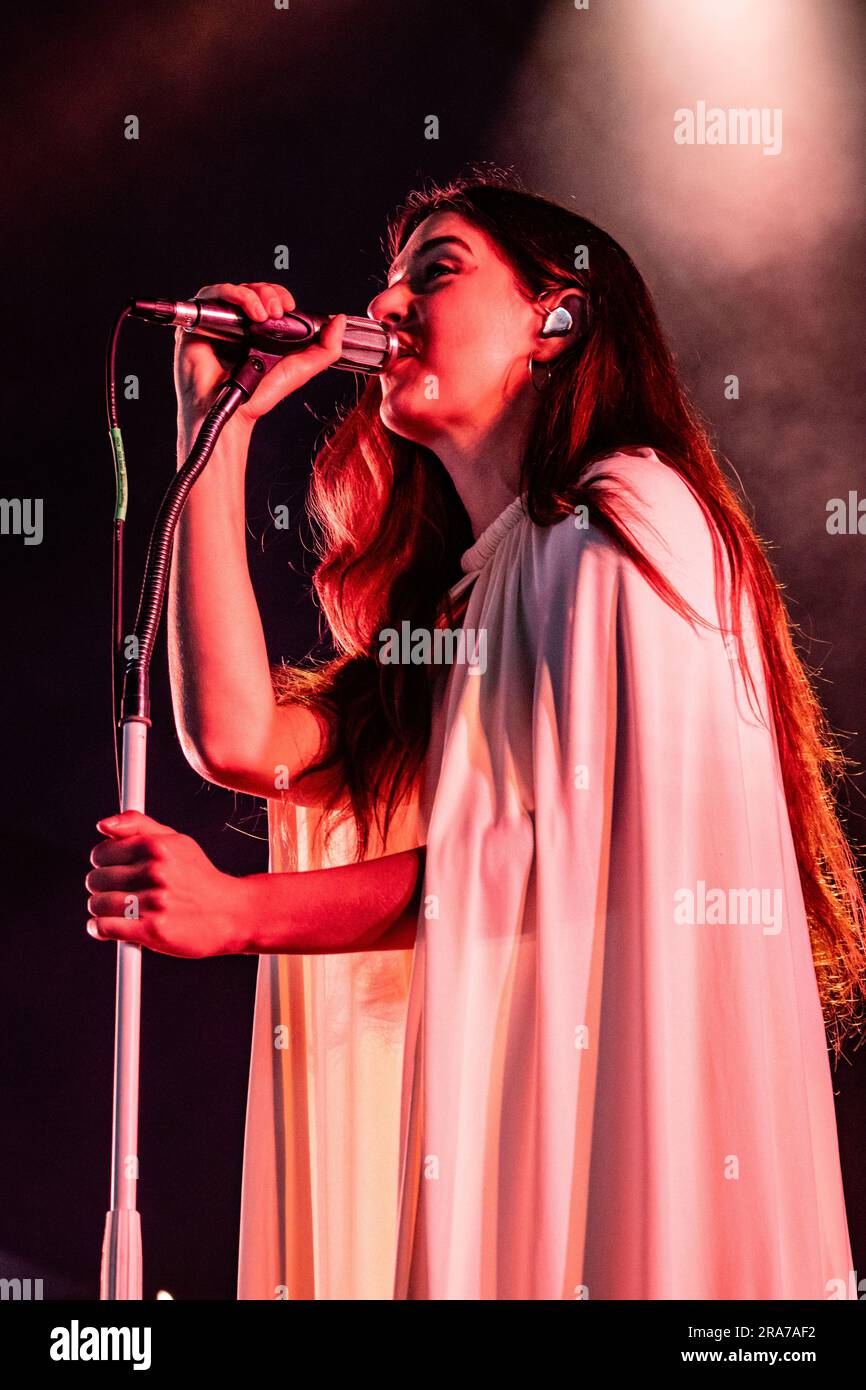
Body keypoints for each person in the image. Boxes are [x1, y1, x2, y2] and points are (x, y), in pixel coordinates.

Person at [85, 168, 866, 1300]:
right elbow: (245, 740)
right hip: (520, 1129)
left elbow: (570, 853)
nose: (388, 308)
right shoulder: (473, 595)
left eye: (434, 273)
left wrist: (244, 911)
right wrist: (211, 437)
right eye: (387, 284)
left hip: (615, 1145)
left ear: (557, 320)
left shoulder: (620, 518)